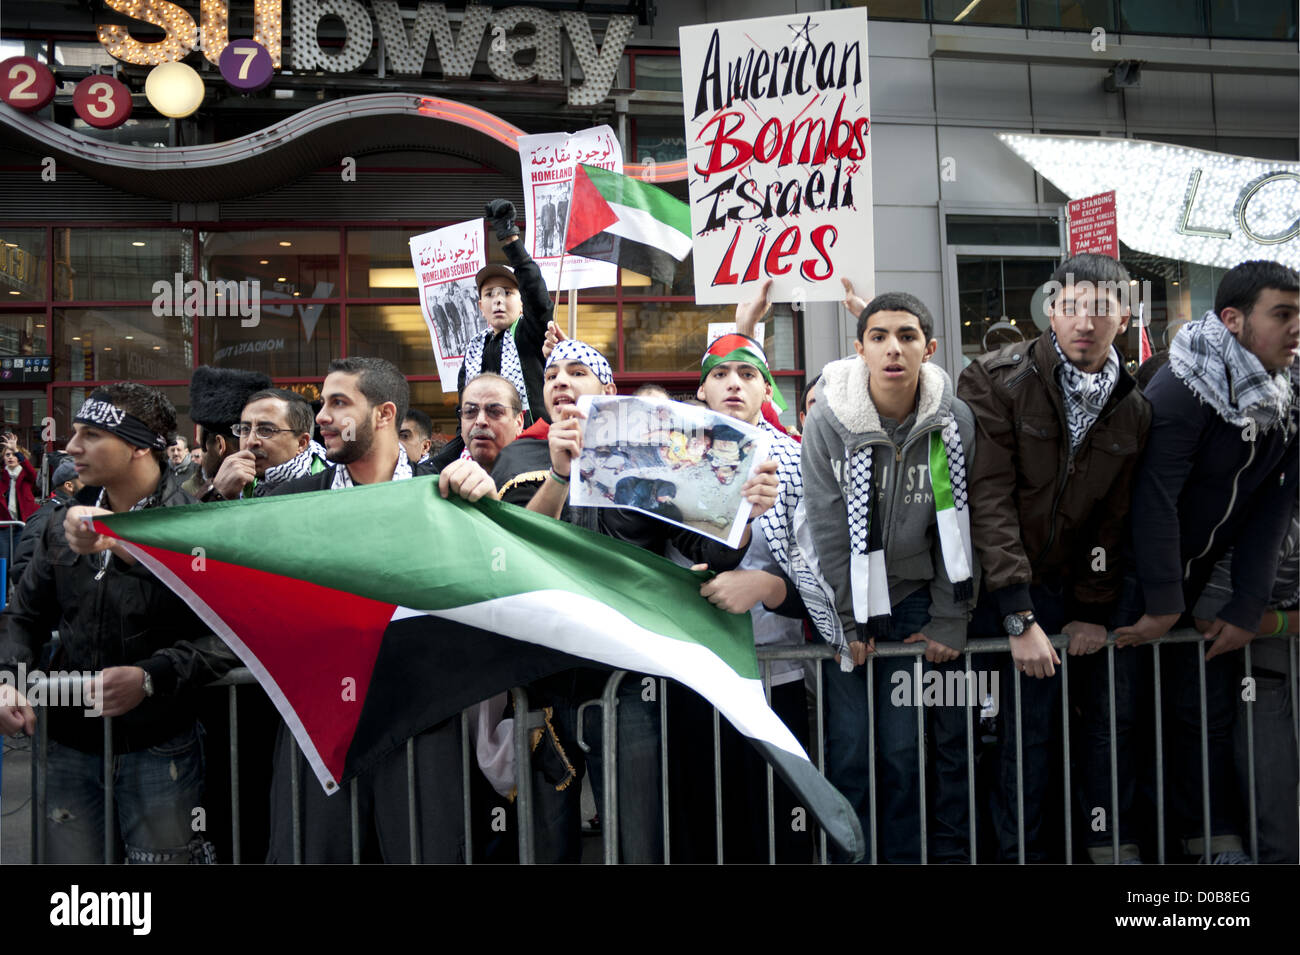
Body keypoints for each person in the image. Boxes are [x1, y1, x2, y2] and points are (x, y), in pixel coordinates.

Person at [492, 339, 780, 862]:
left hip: (625, 683)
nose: (559, 380)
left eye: (577, 371)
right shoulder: (520, 456)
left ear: (606, 390)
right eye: (551, 372)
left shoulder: (644, 457)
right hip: (543, 684)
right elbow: (509, 552)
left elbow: (706, 551)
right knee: (544, 845)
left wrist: (744, 518)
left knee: (638, 837)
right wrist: (558, 475)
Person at [957, 254, 1151, 863]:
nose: (1084, 322)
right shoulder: (995, 378)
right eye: (1071, 307)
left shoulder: (1133, 404)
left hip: (1075, 589)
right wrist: (1018, 613)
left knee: (1096, 731)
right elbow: (988, 498)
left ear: (1124, 315)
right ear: (1051, 309)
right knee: (1020, 739)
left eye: (1100, 308)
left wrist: (1093, 608)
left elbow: (1113, 519)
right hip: (1003, 590)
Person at [265, 357, 497, 864]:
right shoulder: (289, 502)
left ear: (385, 413)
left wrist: (485, 509)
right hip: (320, 730)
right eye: (321, 403)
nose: (321, 415)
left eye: (338, 402)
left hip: (423, 726)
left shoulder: (449, 495)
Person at [0, 383, 237, 863]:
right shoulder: (57, 523)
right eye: (74, 433)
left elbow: (231, 635)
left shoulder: (197, 525)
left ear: (136, 446)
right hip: (66, 741)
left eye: (91, 434)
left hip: (160, 741)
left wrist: (151, 676)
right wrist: (9, 678)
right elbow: (22, 615)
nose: (71, 447)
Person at [1111, 259, 1298, 863]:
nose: (1297, 328)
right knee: (1119, 719)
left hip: (1197, 585)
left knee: (1203, 713)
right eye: (1284, 314)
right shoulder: (1183, 385)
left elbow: (1273, 509)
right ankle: (1112, 846)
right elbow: (1154, 497)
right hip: (1130, 581)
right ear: (1233, 320)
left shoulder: (1285, 395)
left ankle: (1211, 842)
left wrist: (1246, 606)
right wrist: (1163, 601)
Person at [804, 289, 978, 863]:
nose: (893, 348)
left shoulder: (954, 423)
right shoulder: (829, 419)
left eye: (907, 336)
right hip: (844, 604)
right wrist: (848, 618)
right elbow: (828, 527)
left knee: (903, 753)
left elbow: (965, 524)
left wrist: (952, 616)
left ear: (929, 349)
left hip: (912, 602)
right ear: (860, 349)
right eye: (879, 337)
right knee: (849, 750)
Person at [453, 199, 552, 432]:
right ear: (480, 306)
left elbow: (537, 295)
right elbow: (463, 415)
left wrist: (510, 239)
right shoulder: (474, 349)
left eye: (507, 292)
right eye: (489, 294)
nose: (498, 300)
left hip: (531, 444)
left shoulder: (531, 333)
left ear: (521, 303)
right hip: (483, 447)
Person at [208, 388, 327, 500]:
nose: (250, 441)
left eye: (266, 430)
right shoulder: (234, 483)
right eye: (245, 429)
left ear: (301, 443)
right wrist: (217, 494)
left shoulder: (333, 484)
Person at [185, 366, 273, 501]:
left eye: (204, 451)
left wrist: (215, 495)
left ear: (220, 445)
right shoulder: (293, 483)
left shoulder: (185, 496)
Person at [8, 458, 82, 587]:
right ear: (69, 486)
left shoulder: (75, 512)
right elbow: (23, 569)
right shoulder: (46, 517)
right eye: (85, 481)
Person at [458, 374, 524, 471]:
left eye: (495, 411)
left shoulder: (545, 477)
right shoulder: (440, 480)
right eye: (470, 411)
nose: (480, 421)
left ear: (519, 422)